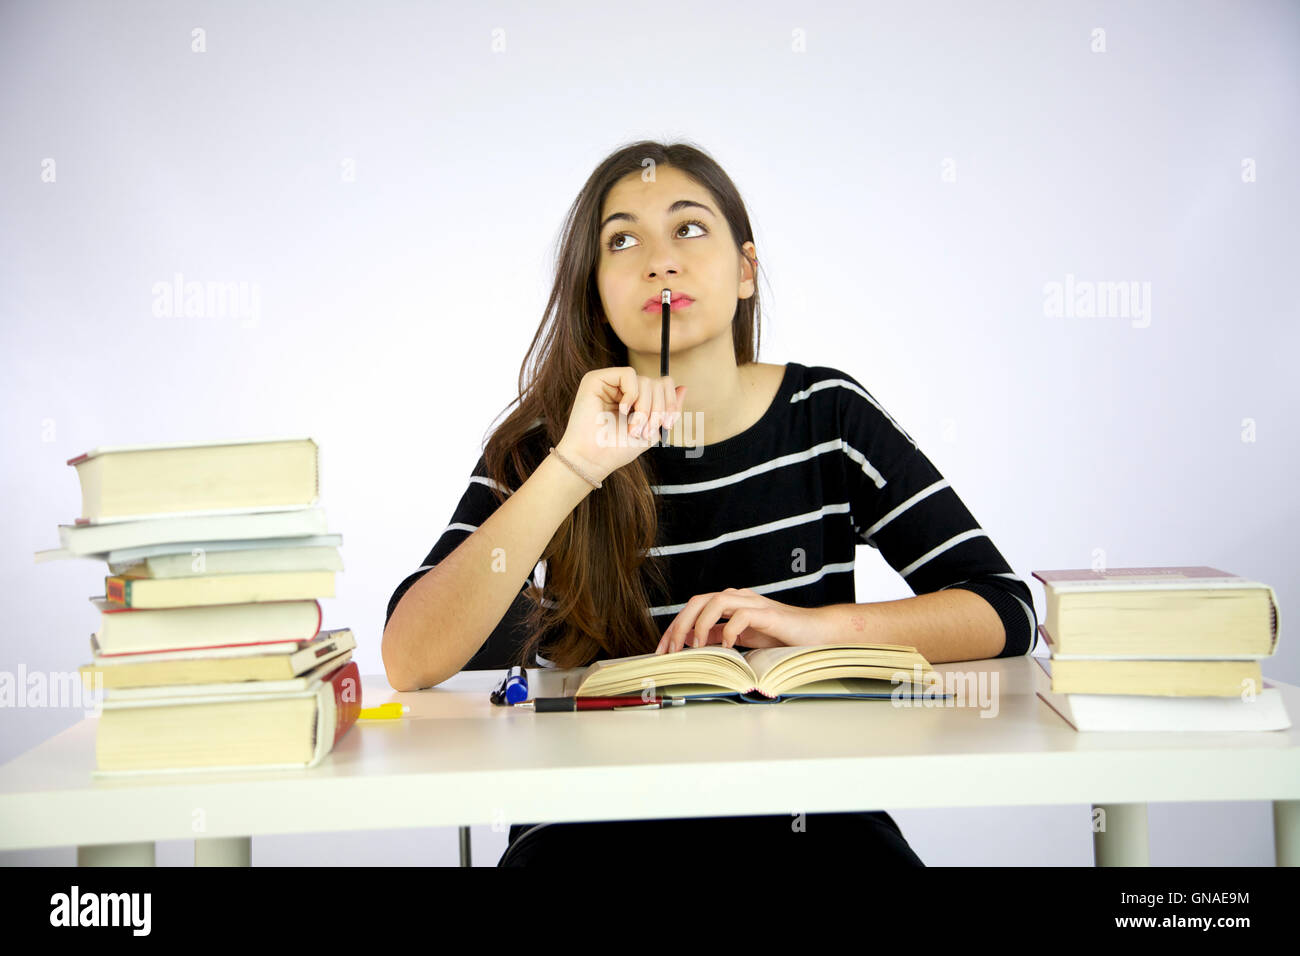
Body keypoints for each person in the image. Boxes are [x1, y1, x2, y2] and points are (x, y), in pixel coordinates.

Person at [382, 140, 1038, 867]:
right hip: (588, 827)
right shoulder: (550, 442)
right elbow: (410, 659)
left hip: (810, 817)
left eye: (689, 228)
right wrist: (573, 467)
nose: (659, 260)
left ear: (746, 272)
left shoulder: (827, 416)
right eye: (622, 240)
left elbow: (1005, 609)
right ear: (596, 289)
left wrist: (810, 629)